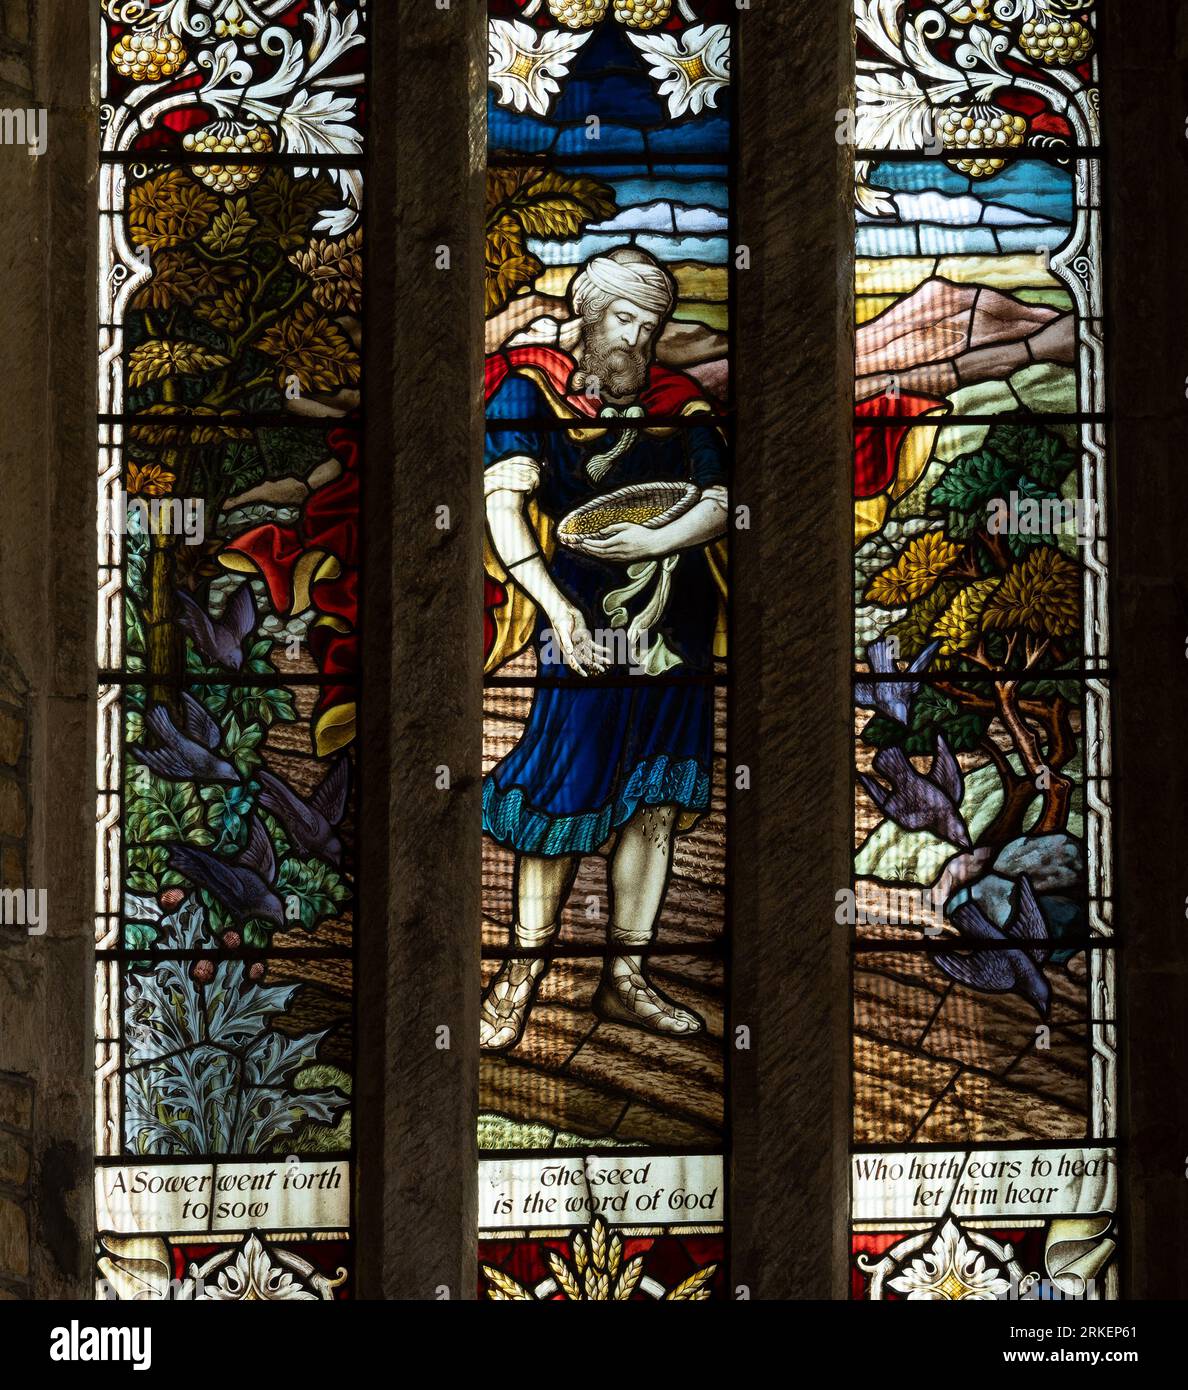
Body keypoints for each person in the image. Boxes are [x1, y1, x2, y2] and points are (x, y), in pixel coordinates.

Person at [481, 246, 728, 1052]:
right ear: (589, 316)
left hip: (676, 631)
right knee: (562, 799)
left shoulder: (678, 400)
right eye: (625, 318)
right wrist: (553, 608)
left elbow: (723, 499)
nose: (640, 339)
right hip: (580, 627)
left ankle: (626, 976)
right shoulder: (530, 390)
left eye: (652, 324)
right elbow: (506, 507)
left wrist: (655, 538)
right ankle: (518, 977)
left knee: (655, 805)